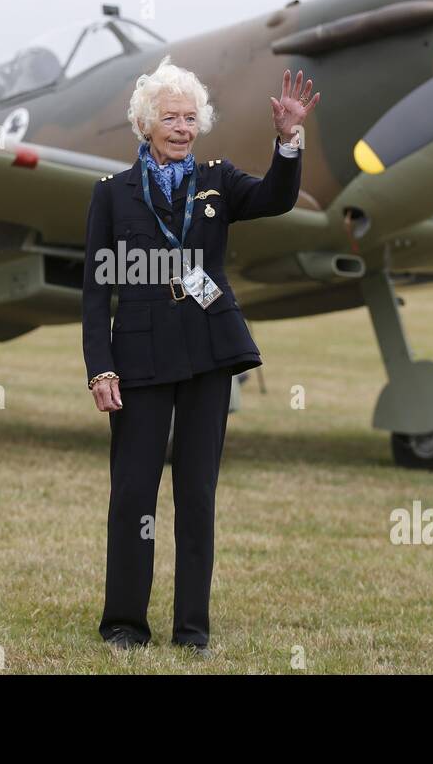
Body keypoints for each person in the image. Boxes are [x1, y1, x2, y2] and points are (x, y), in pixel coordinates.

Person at [82, 56, 321, 655]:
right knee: (133, 494)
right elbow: (94, 291)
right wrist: (99, 366)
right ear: (146, 123)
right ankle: (124, 625)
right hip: (137, 358)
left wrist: (288, 140)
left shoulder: (218, 180)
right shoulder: (112, 194)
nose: (183, 127)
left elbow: (276, 198)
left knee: (197, 494)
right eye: (171, 117)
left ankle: (192, 629)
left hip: (208, 353)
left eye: (191, 118)